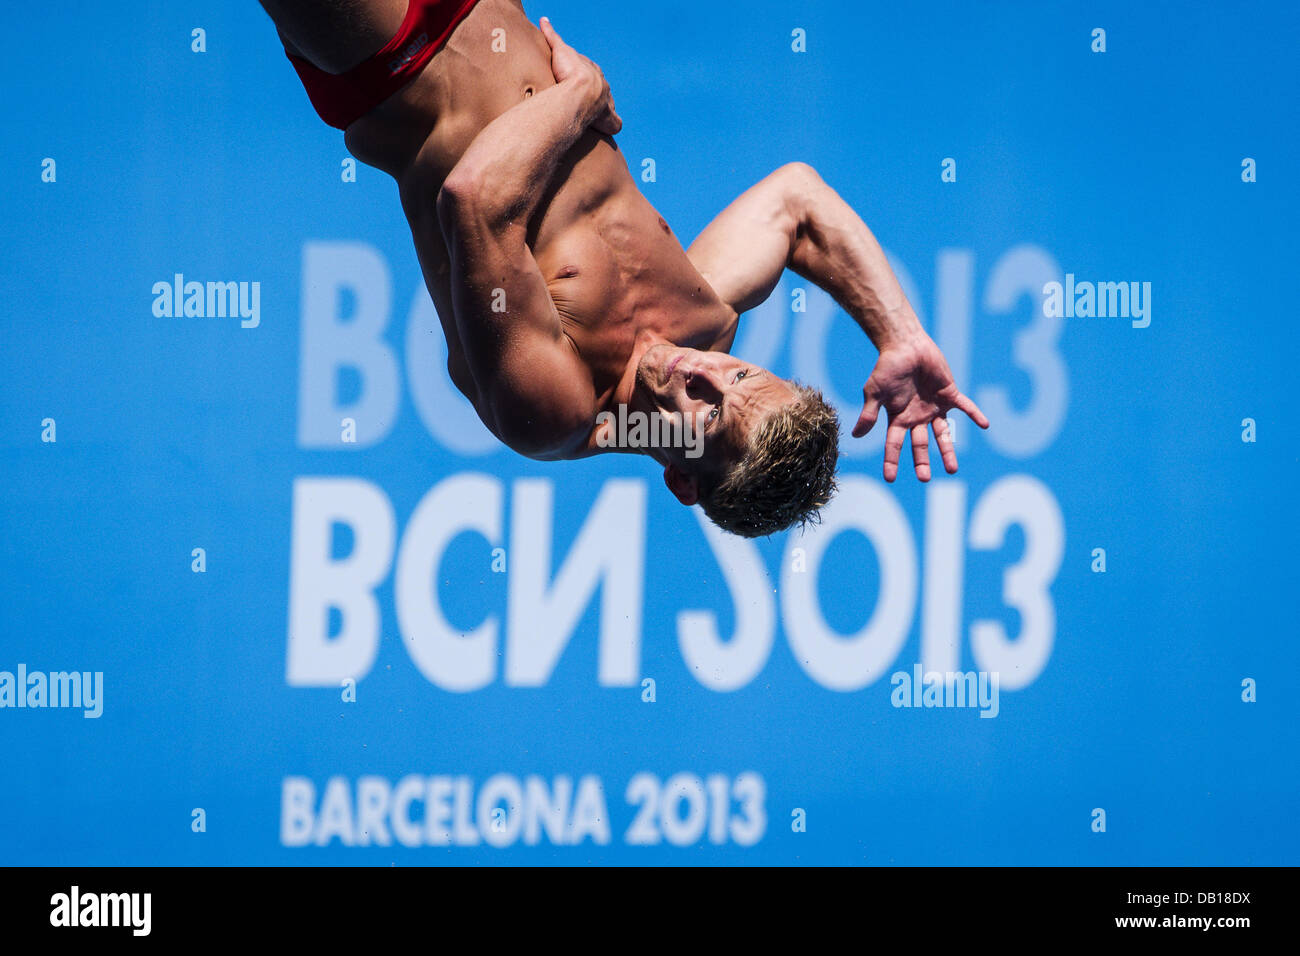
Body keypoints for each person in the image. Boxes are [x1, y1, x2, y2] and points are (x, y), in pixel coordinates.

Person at [260, 0, 989, 537]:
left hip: (390, 49)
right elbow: (797, 203)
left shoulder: (552, 409)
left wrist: (581, 96)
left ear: (679, 475)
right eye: (740, 375)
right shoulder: (704, 320)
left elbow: (475, 200)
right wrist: (897, 334)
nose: (704, 371)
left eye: (708, 412)